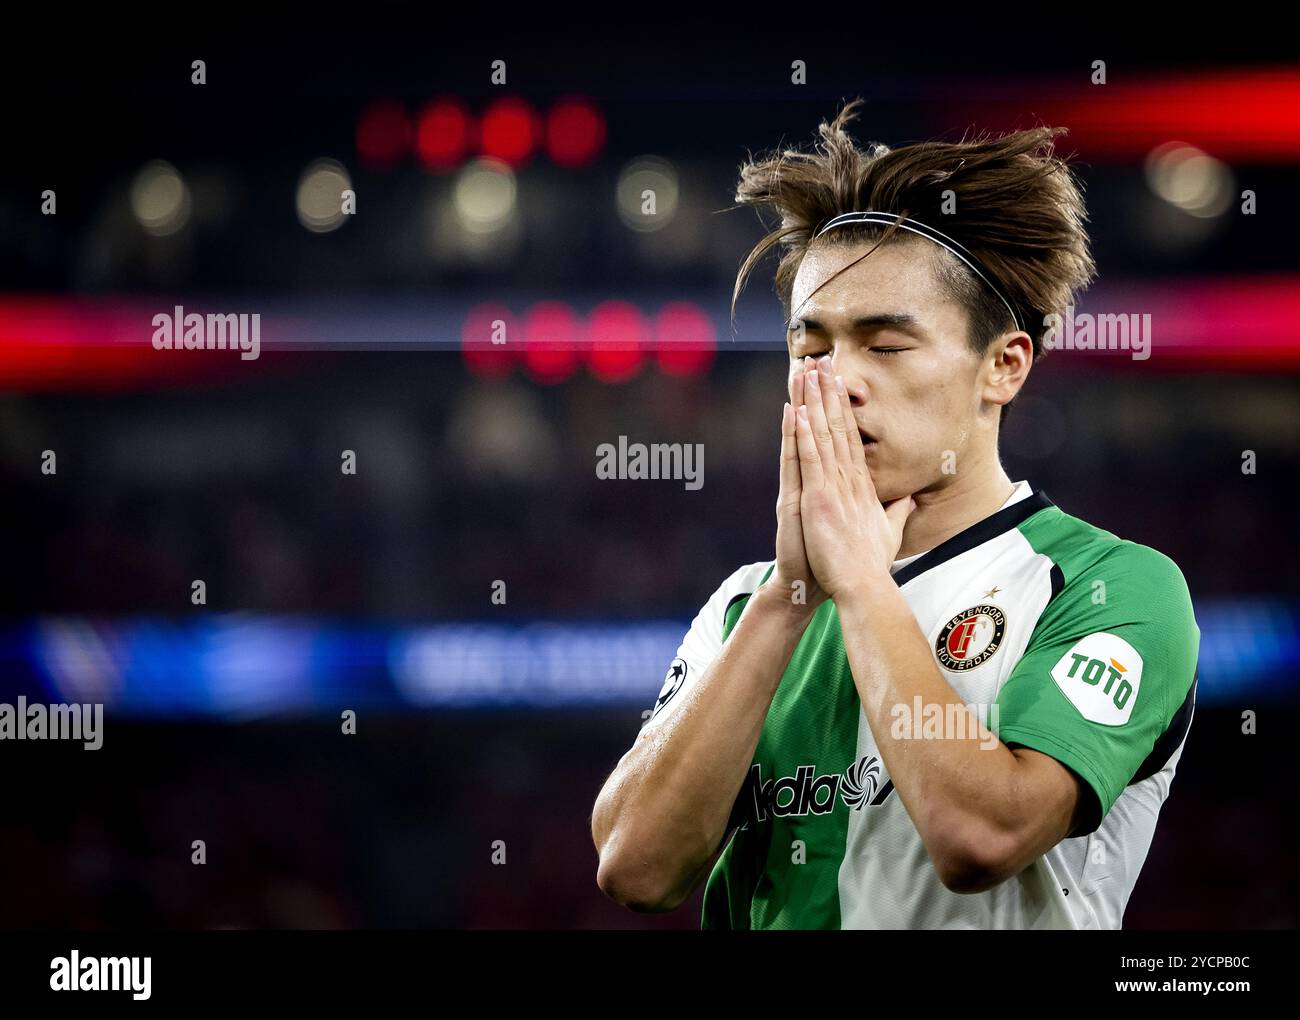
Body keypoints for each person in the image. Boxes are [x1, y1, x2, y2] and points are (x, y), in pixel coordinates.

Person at [591, 100, 1198, 929]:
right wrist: (788, 601)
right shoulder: (745, 606)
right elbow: (636, 868)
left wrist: (861, 585)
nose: (836, 379)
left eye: (884, 345)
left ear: (1003, 367)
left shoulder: (1108, 586)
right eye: (811, 348)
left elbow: (981, 836)